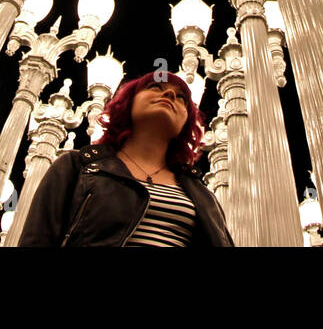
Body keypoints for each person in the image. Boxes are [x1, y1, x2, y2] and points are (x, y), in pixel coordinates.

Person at [18, 72, 234, 246]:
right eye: (156, 87)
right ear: (128, 103)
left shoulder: (203, 195)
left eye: (181, 98)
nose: (169, 94)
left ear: (186, 122)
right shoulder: (78, 167)